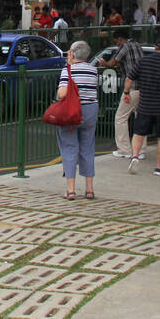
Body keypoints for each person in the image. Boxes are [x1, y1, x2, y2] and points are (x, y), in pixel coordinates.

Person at [123, 36, 160, 175]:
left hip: (145, 105)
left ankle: (135, 157)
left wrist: (126, 93)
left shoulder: (143, 62)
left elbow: (129, 78)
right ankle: (159, 167)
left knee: (138, 134)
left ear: (155, 47)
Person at [55, 40, 99, 200]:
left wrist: (69, 64)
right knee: (88, 148)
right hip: (90, 111)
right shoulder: (93, 70)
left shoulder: (68, 70)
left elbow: (62, 94)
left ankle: (71, 190)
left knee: (69, 147)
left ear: (72, 54)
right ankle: (89, 189)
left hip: (71, 112)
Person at [106, 29, 145, 159]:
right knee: (140, 118)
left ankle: (124, 150)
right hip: (143, 88)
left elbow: (113, 62)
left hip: (131, 87)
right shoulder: (137, 45)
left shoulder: (124, 46)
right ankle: (141, 150)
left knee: (120, 117)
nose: (116, 44)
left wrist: (104, 63)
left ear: (120, 39)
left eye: (115, 41)